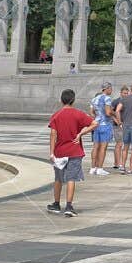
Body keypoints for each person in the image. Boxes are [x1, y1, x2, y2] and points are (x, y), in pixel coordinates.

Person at [45, 89, 94, 218]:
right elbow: (94, 123)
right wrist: (81, 133)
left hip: (59, 152)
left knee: (58, 179)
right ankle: (69, 206)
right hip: (75, 151)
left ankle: (56, 204)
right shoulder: (78, 114)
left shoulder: (56, 115)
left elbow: (53, 135)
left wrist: (51, 152)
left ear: (61, 100)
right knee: (71, 178)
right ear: (73, 100)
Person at [89, 84, 115, 175]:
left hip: (96, 124)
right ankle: (100, 168)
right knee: (103, 147)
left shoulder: (94, 99)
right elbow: (108, 112)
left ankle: (93, 168)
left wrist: (98, 117)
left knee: (95, 146)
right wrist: (114, 114)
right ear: (106, 89)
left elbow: (91, 113)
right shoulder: (107, 98)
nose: (111, 90)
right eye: (111, 88)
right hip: (105, 124)